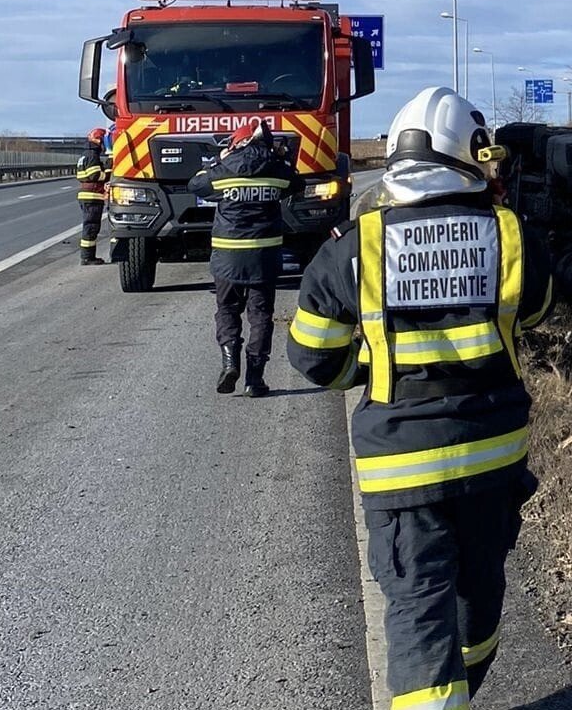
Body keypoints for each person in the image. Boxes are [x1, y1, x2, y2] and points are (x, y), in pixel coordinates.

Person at [287, 86, 552, 706]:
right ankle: (466, 684)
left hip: (402, 469)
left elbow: (312, 356)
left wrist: (374, 366)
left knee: (418, 609)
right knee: (479, 593)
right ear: (470, 153)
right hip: (493, 459)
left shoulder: (355, 245)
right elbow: (535, 311)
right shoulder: (509, 234)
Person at [189, 122, 301, 397]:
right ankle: (255, 378)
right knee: (260, 315)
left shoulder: (224, 169)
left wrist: (218, 161)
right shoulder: (275, 170)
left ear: (235, 145)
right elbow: (296, 183)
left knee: (227, 309)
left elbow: (196, 184)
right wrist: (281, 158)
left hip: (227, 257)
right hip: (264, 257)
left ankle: (230, 363)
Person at [75, 128, 110, 265]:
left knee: (89, 226)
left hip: (87, 195)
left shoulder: (85, 155)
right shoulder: (92, 155)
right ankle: (88, 257)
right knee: (91, 227)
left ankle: (87, 256)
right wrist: (107, 172)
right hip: (92, 195)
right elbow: (95, 175)